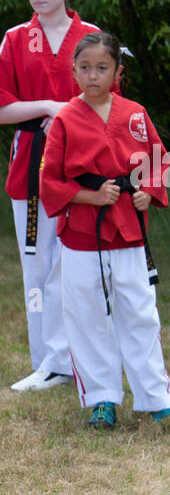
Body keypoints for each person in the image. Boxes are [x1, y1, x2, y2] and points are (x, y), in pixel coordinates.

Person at [0, 0, 108, 392]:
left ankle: (87, 357)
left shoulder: (92, 37)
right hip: (32, 162)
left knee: (85, 264)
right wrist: (48, 106)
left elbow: (113, 101)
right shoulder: (16, 39)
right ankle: (49, 362)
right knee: (38, 267)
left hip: (86, 163)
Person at [40, 32, 170, 429]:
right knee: (87, 315)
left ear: (117, 71)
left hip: (129, 229)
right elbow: (49, 181)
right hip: (83, 234)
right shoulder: (64, 118)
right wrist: (87, 196)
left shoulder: (134, 113)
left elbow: (158, 162)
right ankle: (101, 398)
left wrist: (148, 191)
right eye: (84, 68)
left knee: (140, 313)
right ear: (74, 70)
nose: (92, 75)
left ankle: (156, 396)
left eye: (102, 68)